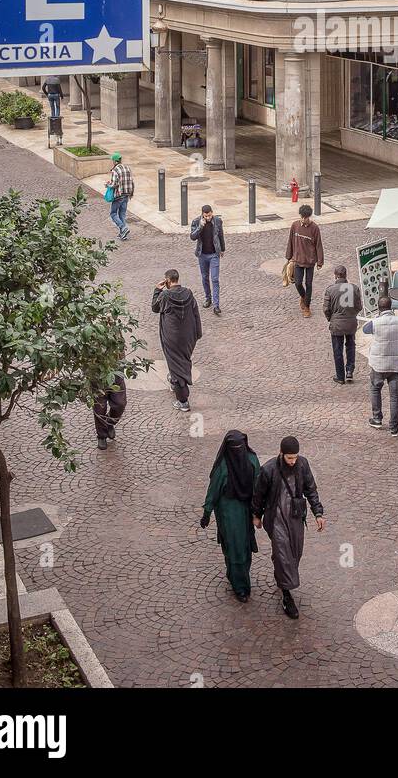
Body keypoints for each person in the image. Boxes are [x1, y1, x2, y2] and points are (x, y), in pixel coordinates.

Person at [251, 435, 324, 619]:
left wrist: (318, 513)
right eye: (289, 457)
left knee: (295, 552)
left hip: (296, 517)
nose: (293, 461)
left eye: (295, 457)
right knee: (284, 554)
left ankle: (282, 574)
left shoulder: (303, 465)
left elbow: (311, 489)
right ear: (281, 454)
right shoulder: (268, 470)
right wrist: (256, 515)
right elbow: (258, 495)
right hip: (276, 518)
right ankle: (286, 594)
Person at [200, 430, 261, 602]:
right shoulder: (223, 467)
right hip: (228, 513)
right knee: (235, 547)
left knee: (245, 546)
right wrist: (207, 512)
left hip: (246, 509)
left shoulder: (251, 461)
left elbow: (259, 487)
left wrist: (259, 511)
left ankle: (237, 577)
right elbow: (213, 490)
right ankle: (240, 586)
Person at [362, 294, 398, 436]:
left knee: (375, 389)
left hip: (378, 364)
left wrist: (376, 318)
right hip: (396, 365)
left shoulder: (376, 322)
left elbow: (364, 329)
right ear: (391, 307)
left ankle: (377, 418)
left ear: (379, 308)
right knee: (394, 397)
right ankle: (394, 428)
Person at [151, 269, 202, 412]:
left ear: (167, 280)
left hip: (172, 337)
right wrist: (197, 333)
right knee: (183, 361)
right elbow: (196, 313)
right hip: (188, 336)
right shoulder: (188, 293)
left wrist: (157, 290)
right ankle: (176, 383)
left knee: (175, 365)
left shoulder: (165, 295)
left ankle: (183, 400)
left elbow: (155, 307)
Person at [322, 264, 362, 385]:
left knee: (337, 349)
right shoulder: (354, 288)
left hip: (337, 324)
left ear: (335, 275)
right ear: (346, 275)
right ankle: (349, 370)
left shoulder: (330, 290)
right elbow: (359, 306)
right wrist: (351, 314)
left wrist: (331, 319)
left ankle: (340, 376)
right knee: (351, 346)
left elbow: (326, 309)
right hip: (351, 323)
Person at [285, 204, 324, 316]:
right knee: (297, 283)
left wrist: (320, 261)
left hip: (310, 261)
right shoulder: (295, 226)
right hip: (297, 260)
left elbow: (318, 245)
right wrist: (288, 257)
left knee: (309, 284)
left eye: (305, 217)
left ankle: (307, 307)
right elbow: (290, 241)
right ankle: (303, 296)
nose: (303, 219)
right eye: (302, 217)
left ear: (309, 217)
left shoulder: (315, 228)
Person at [190, 204, 226, 315]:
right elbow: (192, 237)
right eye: (206, 216)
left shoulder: (218, 221)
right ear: (202, 214)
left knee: (215, 279)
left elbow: (221, 235)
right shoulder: (196, 221)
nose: (208, 218)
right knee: (205, 277)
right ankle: (208, 298)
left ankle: (216, 305)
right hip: (202, 254)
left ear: (212, 213)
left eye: (209, 215)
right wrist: (200, 226)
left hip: (214, 254)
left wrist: (222, 249)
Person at [93, 372, 127, 450]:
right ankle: (102, 436)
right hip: (96, 376)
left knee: (120, 403)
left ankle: (109, 422)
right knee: (99, 408)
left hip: (116, 374)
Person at [107, 152, 134, 241]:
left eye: (112, 160)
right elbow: (131, 181)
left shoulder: (115, 170)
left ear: (115, 161)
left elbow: (114, 184)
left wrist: (107, 185)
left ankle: (123, 227)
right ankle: (122, 234)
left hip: (119, 195)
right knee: (122, 214)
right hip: (127, 194)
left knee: (113, 213)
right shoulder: (127, 168)